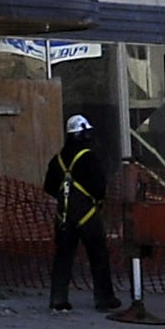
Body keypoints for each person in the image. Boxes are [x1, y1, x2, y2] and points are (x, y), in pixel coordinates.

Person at [41, 112, 119, 312]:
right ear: (82, 135)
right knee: (98, 255)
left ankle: (58, 299)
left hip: (64, 217)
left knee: (63, 257)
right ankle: (104, 299)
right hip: (88, 215)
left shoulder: (57, 160)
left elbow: (49, 187)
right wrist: (95, 199)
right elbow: (99, 186)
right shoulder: (88, 158)